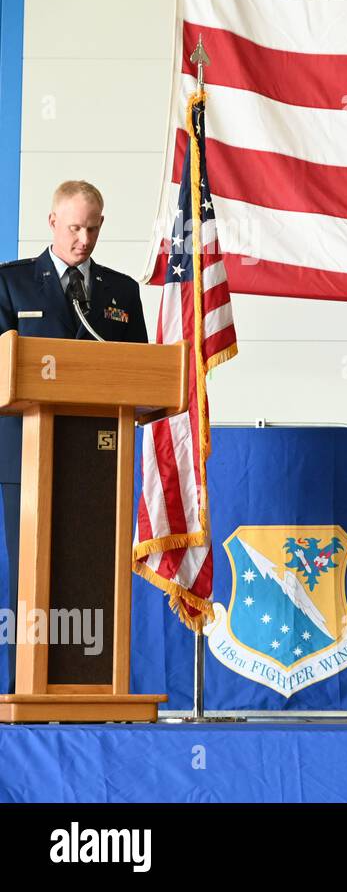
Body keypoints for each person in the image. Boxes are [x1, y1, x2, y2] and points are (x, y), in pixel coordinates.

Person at [0, 180, 148, 692]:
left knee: (91, 569)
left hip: (99, 457)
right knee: (35, 577)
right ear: (51, 224)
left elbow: (141, 372)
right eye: (73, 228)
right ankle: (33, 688)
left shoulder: (121, 291)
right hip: (26, 457)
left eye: (91, 228)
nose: (82, 239)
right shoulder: (11, 284)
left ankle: (95, 686)